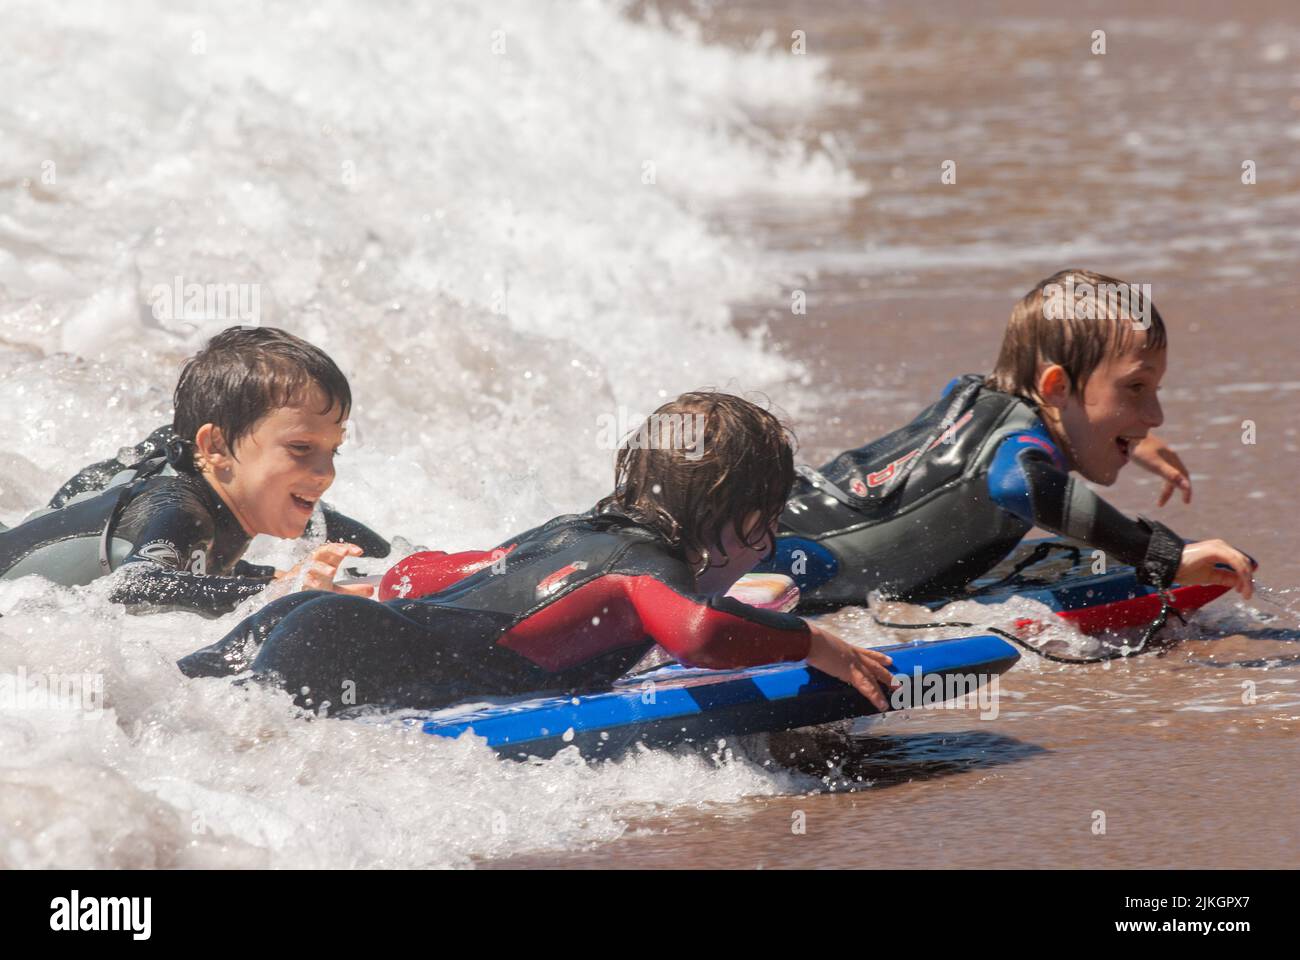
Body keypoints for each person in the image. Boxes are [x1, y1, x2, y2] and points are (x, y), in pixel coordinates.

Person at [178, 392, 898, 713]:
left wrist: (364, 593)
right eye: (765, 524)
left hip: (316, 619)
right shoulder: (652, 570)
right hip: (348, 653)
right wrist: (812, 644)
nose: (766, 543)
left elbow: (426, 573)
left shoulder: (564, 534)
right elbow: (700, 633)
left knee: (185, 710)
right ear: (738, 517)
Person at [756, 269, 1256, 607]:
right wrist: (1160, 556)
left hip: (769, 514)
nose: (1156, 414)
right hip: (776, 553)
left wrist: (1132, 437)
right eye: (1136, 389)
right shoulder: (1018, 455)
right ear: (1056, 386)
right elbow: (1018, 485)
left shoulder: (987, 402)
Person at [0, 326, 387, 616]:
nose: (324, 474)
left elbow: (380, 558)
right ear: (216, 447)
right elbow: (134, 586)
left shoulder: (247, 491)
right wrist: (279, 593)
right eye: (300, 448)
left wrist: (413, 567)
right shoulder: (178, 510)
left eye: (333, 450)